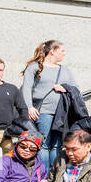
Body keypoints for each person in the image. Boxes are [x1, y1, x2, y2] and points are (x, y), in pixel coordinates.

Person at [21, 39, 74, 171]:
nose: (64, 53)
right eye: (62, 50)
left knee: (57, 145)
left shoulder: (65, 70)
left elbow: (75, 87)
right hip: (44, 111)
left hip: (62, 113)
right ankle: (44, 175)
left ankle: (54, 176)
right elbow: (26, 88)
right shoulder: (35, 66)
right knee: (44, 144)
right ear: (52, 51)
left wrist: (65, 88)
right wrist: (29, 106)